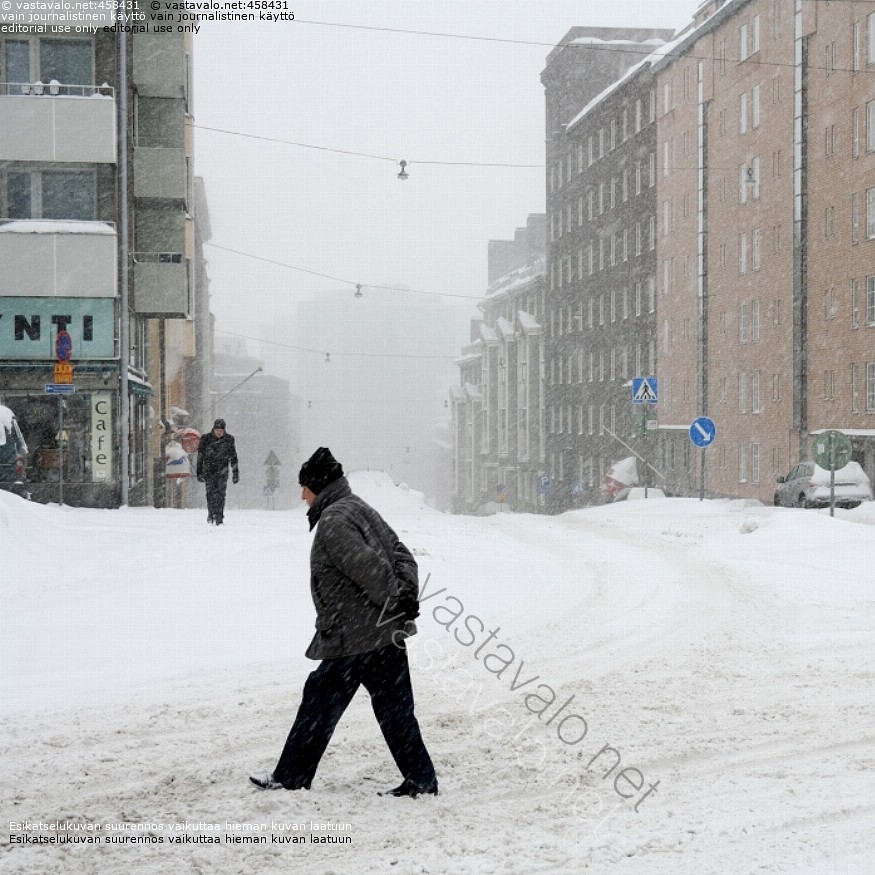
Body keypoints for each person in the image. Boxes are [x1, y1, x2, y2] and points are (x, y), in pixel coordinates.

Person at [249, 447, 437, 798]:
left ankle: (291, 777)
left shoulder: (335, 520)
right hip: (380, 634)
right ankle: (422, 780)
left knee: (320, 702)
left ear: (318, 486)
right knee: (396, 710)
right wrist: (406, 595)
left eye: (304, 487)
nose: (301, 495)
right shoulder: (360, 508)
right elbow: (400, 554)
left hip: (355, 635)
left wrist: (398, 601)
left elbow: (371, 570)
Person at [195, 418, 239, 525]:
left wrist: (235, 473)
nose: (219, 432)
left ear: (224, 430)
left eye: (221, 430)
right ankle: (211, 514)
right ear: (213, 429)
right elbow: (200, 457)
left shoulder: (229, 440)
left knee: (221, 494)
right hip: (209, 471)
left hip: (222, 472)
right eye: (217, 429)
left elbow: (233, 457)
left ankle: (219, 516)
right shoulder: (206, 439)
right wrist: (199, 472)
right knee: (210, 494)